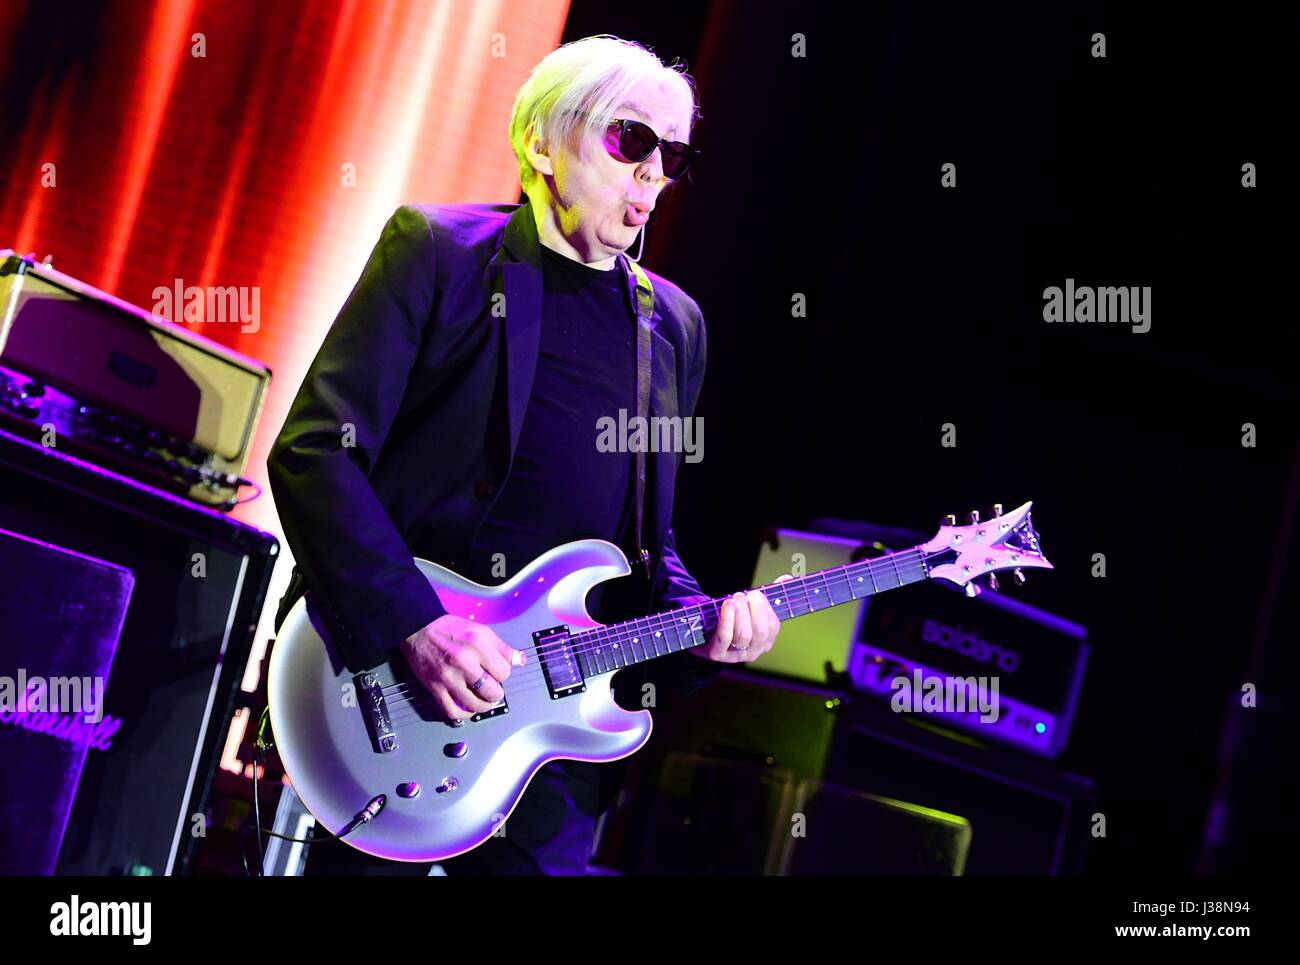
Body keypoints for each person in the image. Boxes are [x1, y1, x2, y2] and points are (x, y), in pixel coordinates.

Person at [268, 35, 782, 876]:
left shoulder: (674, 326)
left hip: (551, 737)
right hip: (390, 698)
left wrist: (704, 626)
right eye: (631, 140)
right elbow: (316, 449)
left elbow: (645, 541)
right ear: (543, 140)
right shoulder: (438, 252)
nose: (653, 173)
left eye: (674, 154)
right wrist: (415, 623)